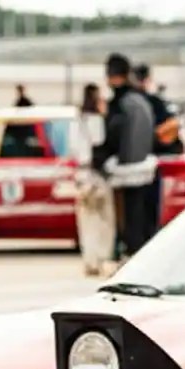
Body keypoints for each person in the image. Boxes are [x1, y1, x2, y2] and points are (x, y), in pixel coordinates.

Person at [93, 53, 157, 260]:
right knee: (141, 216)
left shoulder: (120, 104)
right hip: (144, 169)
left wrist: (101, 160)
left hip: (124, 171)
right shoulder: (142, 101)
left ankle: (127, 252)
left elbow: (112, 135)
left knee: (126, 219)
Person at [70, 83, 116, 277]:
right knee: (104, 220)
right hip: (97, 176)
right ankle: (101, 259)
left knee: (86, 222)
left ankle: (89, 260)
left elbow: (73, 149)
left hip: (81, 176)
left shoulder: (76, 121)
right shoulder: (98, 121)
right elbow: (101, 146)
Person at [133, 63, 182, 232]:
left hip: (131, 163)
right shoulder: (155, 102)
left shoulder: (128, 102)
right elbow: (172, 129)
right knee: (150, 210)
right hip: (152, 162)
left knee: (136, 210)